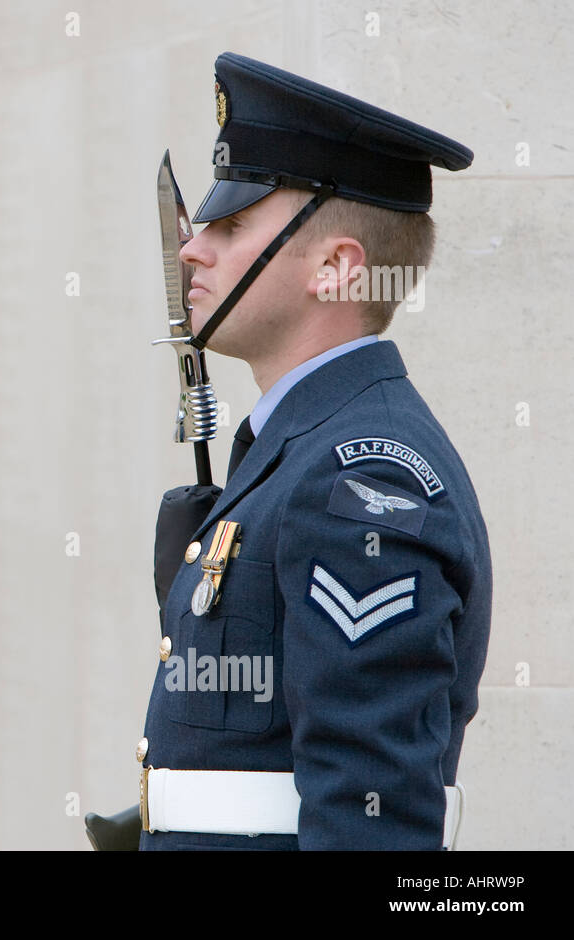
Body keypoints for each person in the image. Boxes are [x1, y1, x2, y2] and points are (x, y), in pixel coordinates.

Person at [134, 52, 492, 850]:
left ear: (335, 269)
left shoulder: (363, 474)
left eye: (230, 227)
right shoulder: (293, 455)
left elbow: (374, 813)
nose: (193, 249)